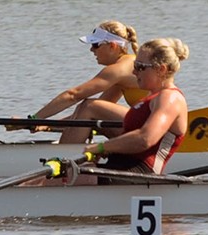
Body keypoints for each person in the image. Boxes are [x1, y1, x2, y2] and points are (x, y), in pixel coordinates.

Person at [78, 38, 190, 182]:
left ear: (161, 69)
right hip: (120, 168)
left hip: (140, 175)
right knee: (59, 175)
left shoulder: (170, 98)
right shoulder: (153, 96)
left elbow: (145, 138)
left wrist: (102, 147)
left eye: (140, 66)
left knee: (66, 179)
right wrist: (111, 148)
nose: (134, 71)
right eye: (135, 65)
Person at [21, 21, 146, 145]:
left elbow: (73, 95)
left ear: (113, 46)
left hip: (152, 130)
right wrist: (47, 125)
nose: (91, 49)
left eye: (96, 44)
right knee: (89, 108)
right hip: (147, 125)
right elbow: (87, 114)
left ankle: (63, 157)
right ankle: (72, 154)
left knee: (89, 105)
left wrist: (34, 119)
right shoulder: (124, 70)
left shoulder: (119, 69)